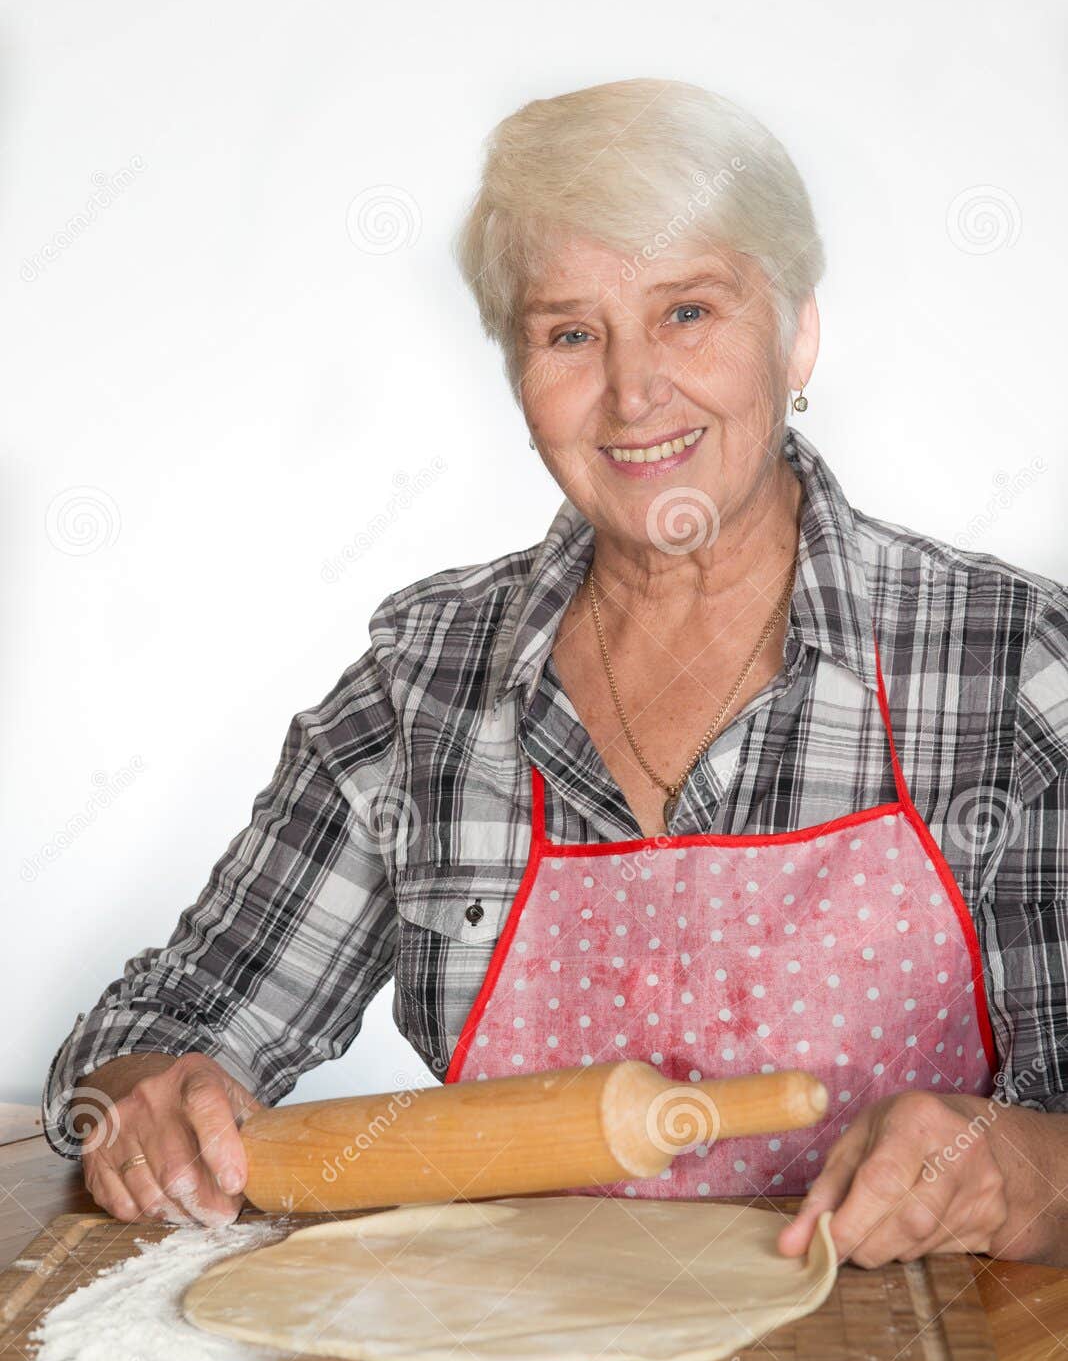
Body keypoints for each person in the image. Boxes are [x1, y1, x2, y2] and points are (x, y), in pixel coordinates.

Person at [44, 78, 1068, 1267]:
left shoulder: (1013, 668)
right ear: (518, 373)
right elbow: (152, 1035)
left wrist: (1023, 1173)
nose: (633, 392)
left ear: (797, 334)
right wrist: (150, 1104)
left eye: (689, 312)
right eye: (571, 334)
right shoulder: (425, 687)